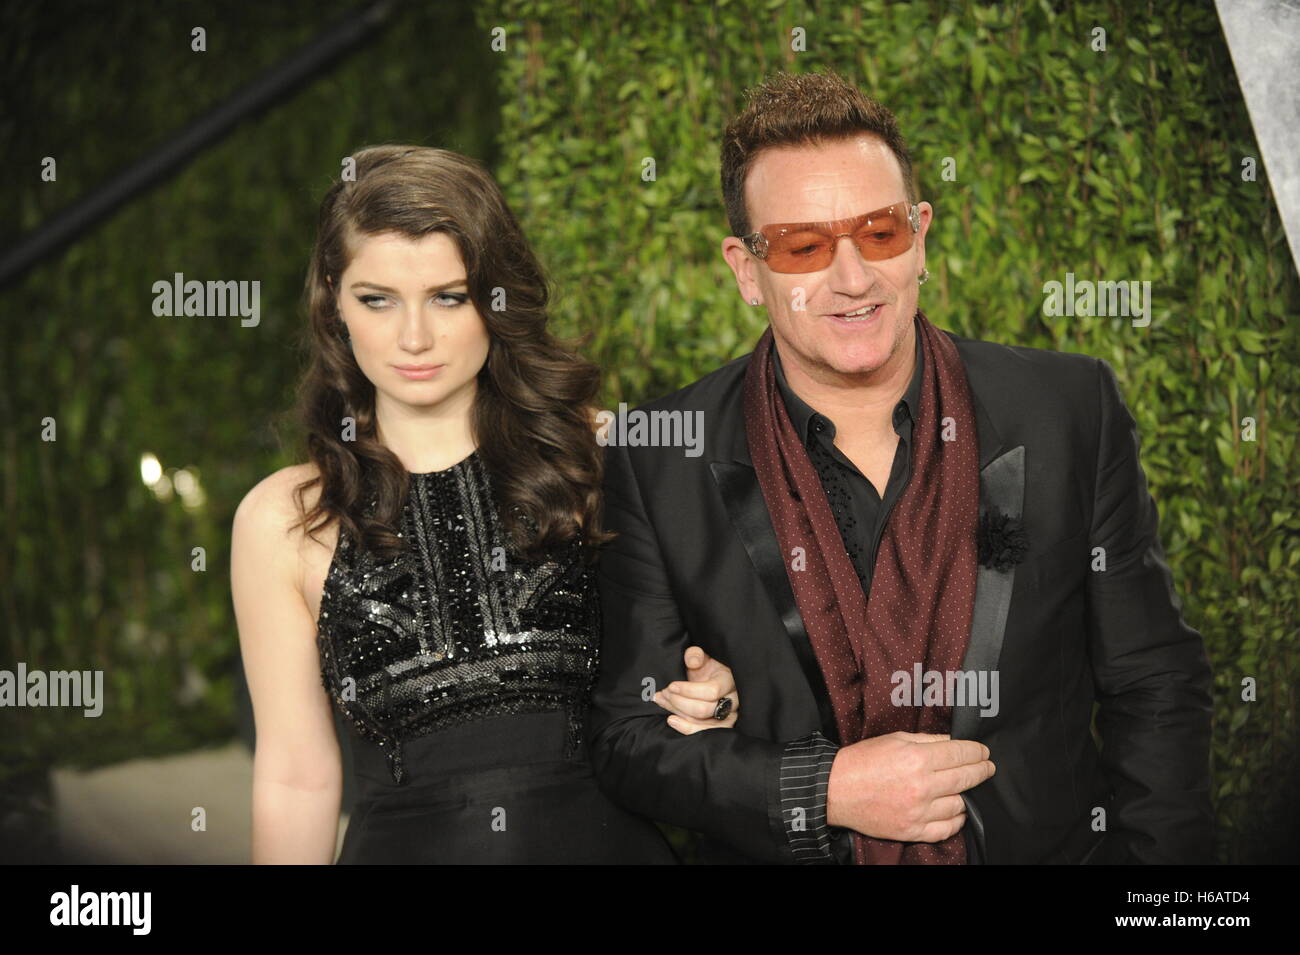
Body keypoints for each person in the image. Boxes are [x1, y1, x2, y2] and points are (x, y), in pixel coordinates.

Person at [588, 70, 1214, 864]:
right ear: (747, 270)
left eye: (879, 233)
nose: (852, 278)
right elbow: (628, 740)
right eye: (803, 246)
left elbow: (1154, 681)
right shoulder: (656, 458)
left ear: (921, 235)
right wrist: (821, 788)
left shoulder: (1068, 410)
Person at [230, 145, 734, 864]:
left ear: (497, 296)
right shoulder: (284, 518)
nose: (414, 337)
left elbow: (703, 668)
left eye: (449, 296)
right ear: (334, 301)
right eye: (377, 299)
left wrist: (716, 693)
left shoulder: (603, 457)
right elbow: (295, 778)